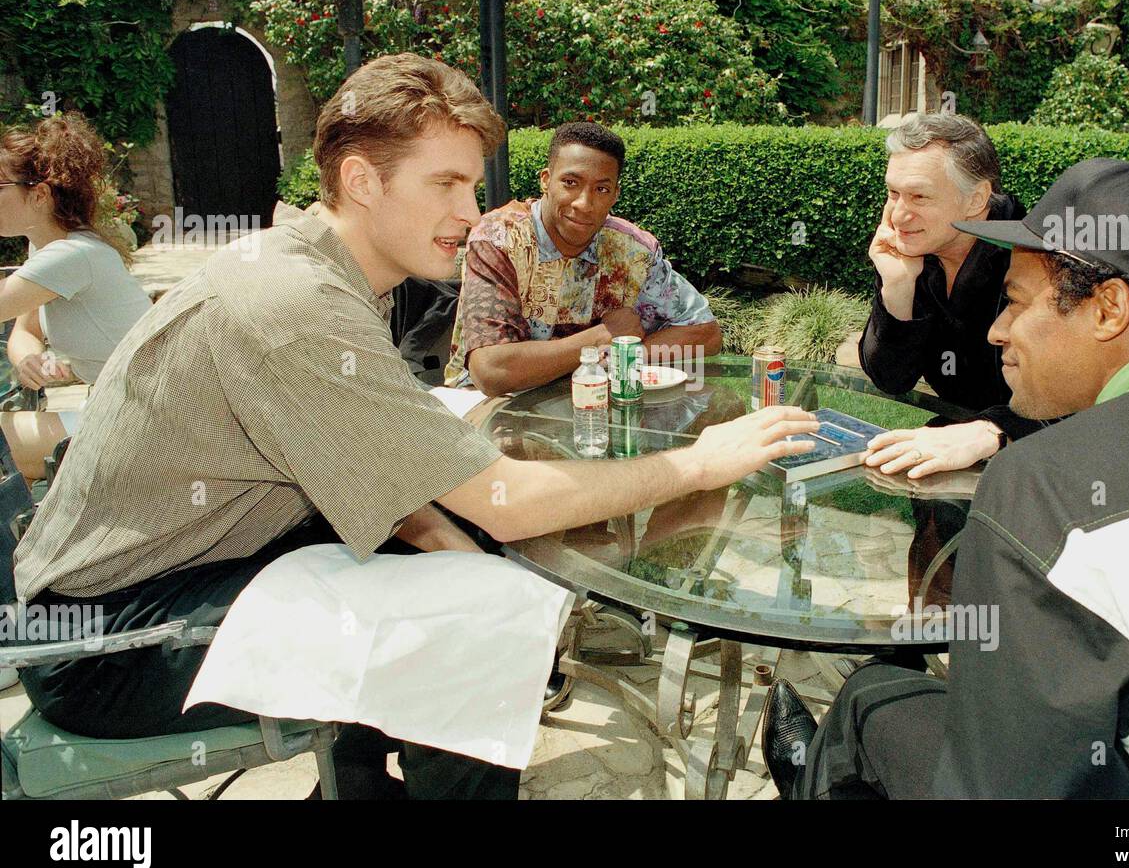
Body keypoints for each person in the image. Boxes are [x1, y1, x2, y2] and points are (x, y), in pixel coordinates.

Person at [8, 54, 818, 800]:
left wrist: (449, 540)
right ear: (361, 180)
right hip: (107, 644)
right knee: (476, 628)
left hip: (176, 569)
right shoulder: (294, 306)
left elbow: (377, 468)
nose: (472, 213)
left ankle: (358, 786)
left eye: (472, 186)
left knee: (468, 557)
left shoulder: (311, 263)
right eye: (447, 185)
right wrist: (700, 464)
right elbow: (503, 496)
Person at [764, 157, 1129, 799]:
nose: (997, 330)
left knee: (870, 697)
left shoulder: (1044, 485)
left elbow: (1003, 787)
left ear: (1109, 308)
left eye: (1015, 303)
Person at [857, 114, 1039, 605]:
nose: (898, 215)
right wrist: (898, 286)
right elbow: (890, 376)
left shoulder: (1036, 261)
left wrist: (989, 432)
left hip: (1041, 459)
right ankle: (925, 648)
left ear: (976, 200)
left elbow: (1082, 397)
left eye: (918, 197)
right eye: (893, 194)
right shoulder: (917, 253)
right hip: (954, 448)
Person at [443, 121, 722, 396]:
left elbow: (706, 334)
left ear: (615, 194)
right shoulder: (500, 239)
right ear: (545, 180)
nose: (584, 204)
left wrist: (620, 355)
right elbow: (491, 372)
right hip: (483, 405)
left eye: (601, 189)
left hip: (586, 398)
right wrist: (602, 337)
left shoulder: (632, 251)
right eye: (570, 183)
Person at [0, 113, 151, 481]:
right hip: (121, 413)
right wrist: (28, 360)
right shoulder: (52, 251)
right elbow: (25, 330)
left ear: (38, 194)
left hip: (138, 427)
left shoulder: (70, 256)